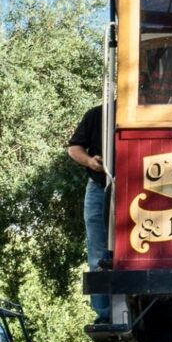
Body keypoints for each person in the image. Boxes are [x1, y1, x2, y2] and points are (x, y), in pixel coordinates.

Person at [67, 104, 111, 323]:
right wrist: (90, 161)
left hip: (139, 186)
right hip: (99, 187)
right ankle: (103, 313)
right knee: (98, 253)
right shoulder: (97, 114)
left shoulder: (154, 111)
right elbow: (74, 148)